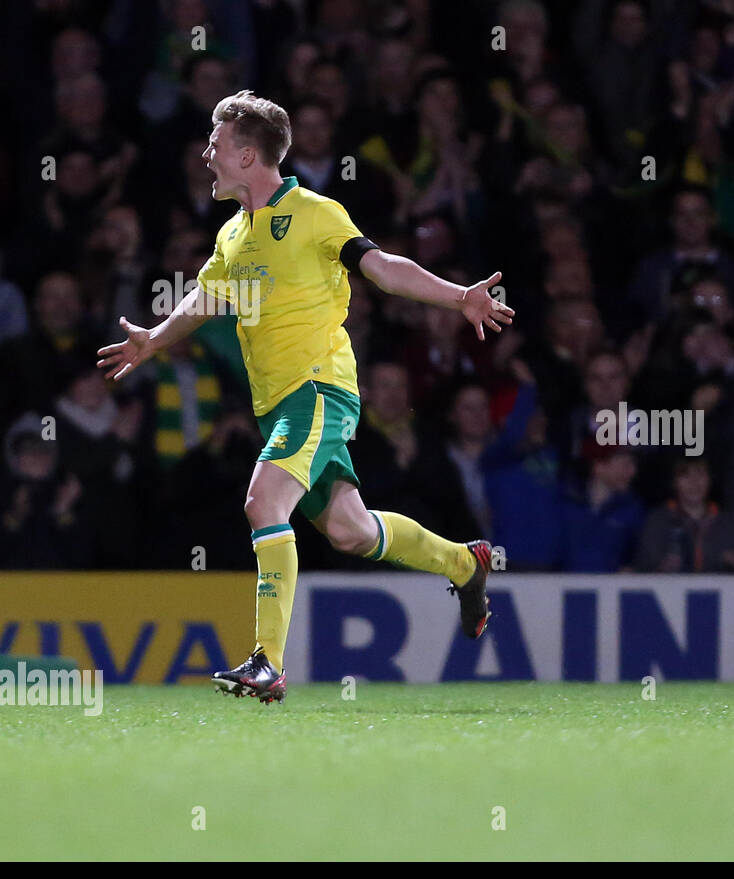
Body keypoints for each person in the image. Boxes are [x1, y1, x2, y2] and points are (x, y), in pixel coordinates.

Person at [96, 91, 515, 704]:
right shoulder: (235, 233)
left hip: (317, 388)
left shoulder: (315, 211)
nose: (206, 155)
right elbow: (206, 297)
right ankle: (464, 564)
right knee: (349, 531)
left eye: (215, 145)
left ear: (245, 155)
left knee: (263, 502)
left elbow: (381, 267)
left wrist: (459, 297)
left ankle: (267, 661)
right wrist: (153, 341)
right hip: (279, 403)